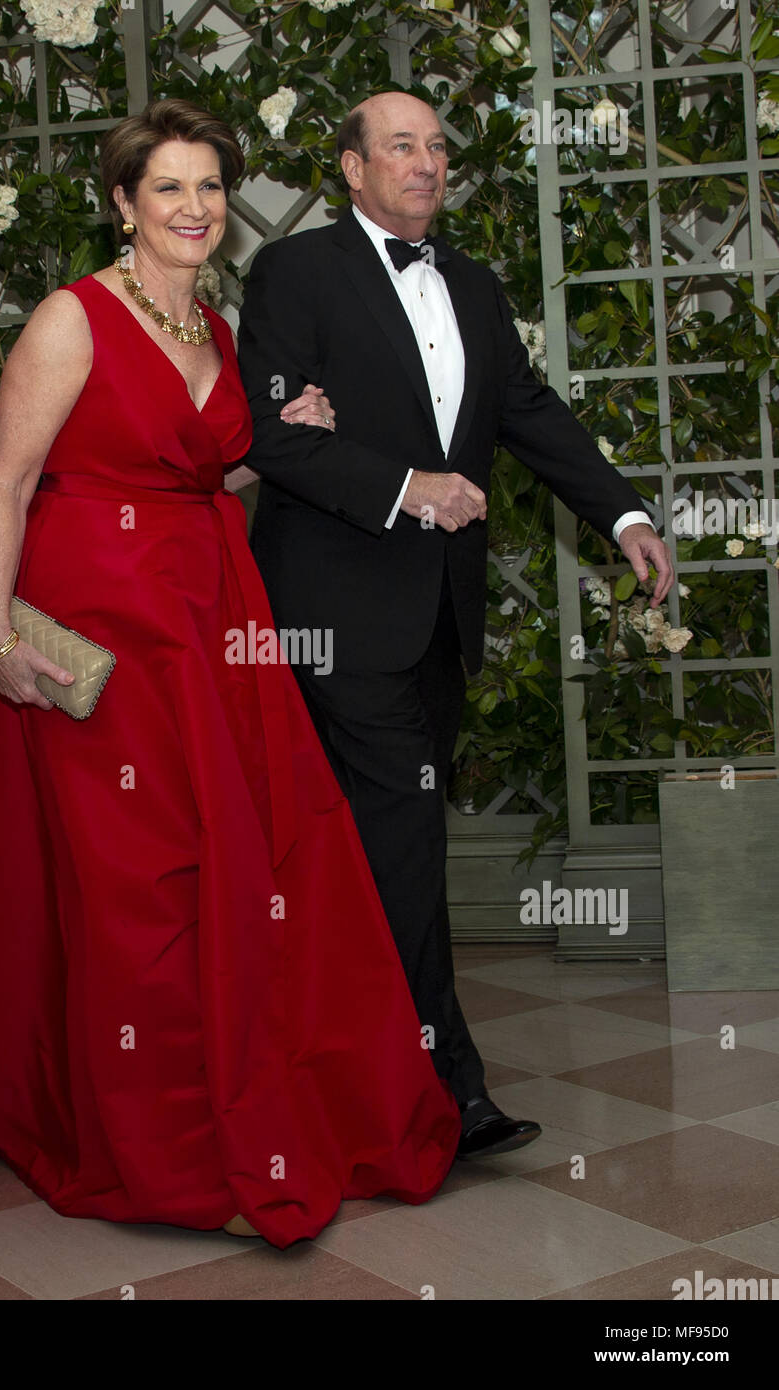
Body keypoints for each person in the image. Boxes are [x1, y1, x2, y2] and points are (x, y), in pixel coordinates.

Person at [0, 99, 461, 1250]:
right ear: (123, 204)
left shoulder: (212, 329)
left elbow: (186, 473)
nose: (195, 208)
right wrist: (2, 636)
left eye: (211, 187)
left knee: (236, 875)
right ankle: (152, 1150)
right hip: (101, 641)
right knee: (138, 894)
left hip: (208, 632)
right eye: (168, 187)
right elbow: (7, 486)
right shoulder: (73, 319)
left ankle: (236, 1119)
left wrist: (277, 433)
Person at [238, 91, 675, 1159]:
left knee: (375, 851)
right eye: (401, 146)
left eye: (437, 147)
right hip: (333, 615)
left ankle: (344, 1076)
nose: (426, 164)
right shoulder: (295, 274)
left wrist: (622, 514)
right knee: (404, 843)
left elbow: (528, 413)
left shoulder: (472, 285)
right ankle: (447, 1088)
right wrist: (409, 487)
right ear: (350, 167)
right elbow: (272, 436)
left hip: (438, 619)